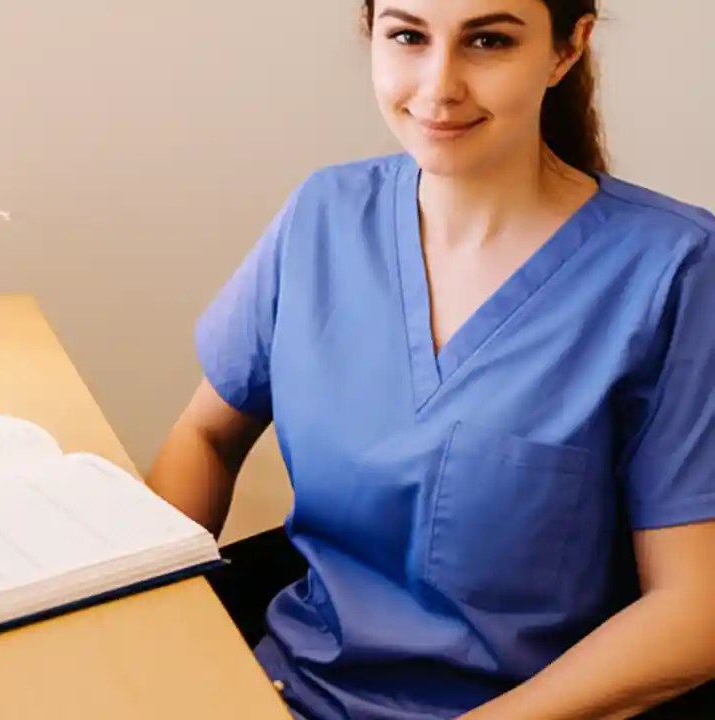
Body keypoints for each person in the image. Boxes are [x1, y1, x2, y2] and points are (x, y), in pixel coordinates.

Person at [145, 1, 715, 718]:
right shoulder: (324, 214)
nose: (439, 85)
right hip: (278, 687)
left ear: (567, 50)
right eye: (409, 36)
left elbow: (695, 614)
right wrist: (148, 616)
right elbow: (206, 434)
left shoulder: (674, 271)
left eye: (488, 41)